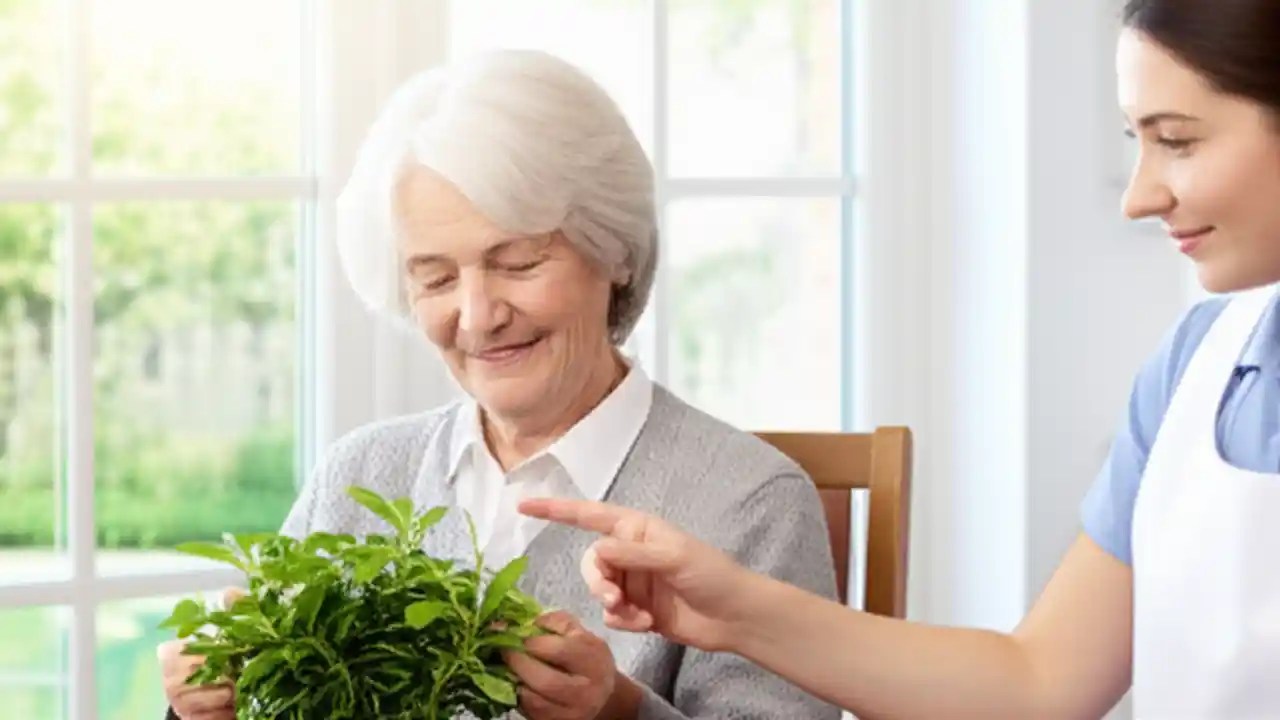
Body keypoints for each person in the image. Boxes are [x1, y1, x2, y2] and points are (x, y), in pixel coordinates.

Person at [520, 1, 1280, 717]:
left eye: (1178, 140)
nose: (1139, 196)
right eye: (1135, 141)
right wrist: (736, 610)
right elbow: (1037, 685)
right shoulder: (1199, 365)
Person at [156, 49, 840, 720]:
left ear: (616, 253)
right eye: (437, 278)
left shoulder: (751, 502)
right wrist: (205, 702)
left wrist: (617, 712)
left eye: (516, 263)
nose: (478, 316)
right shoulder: (360, 475)